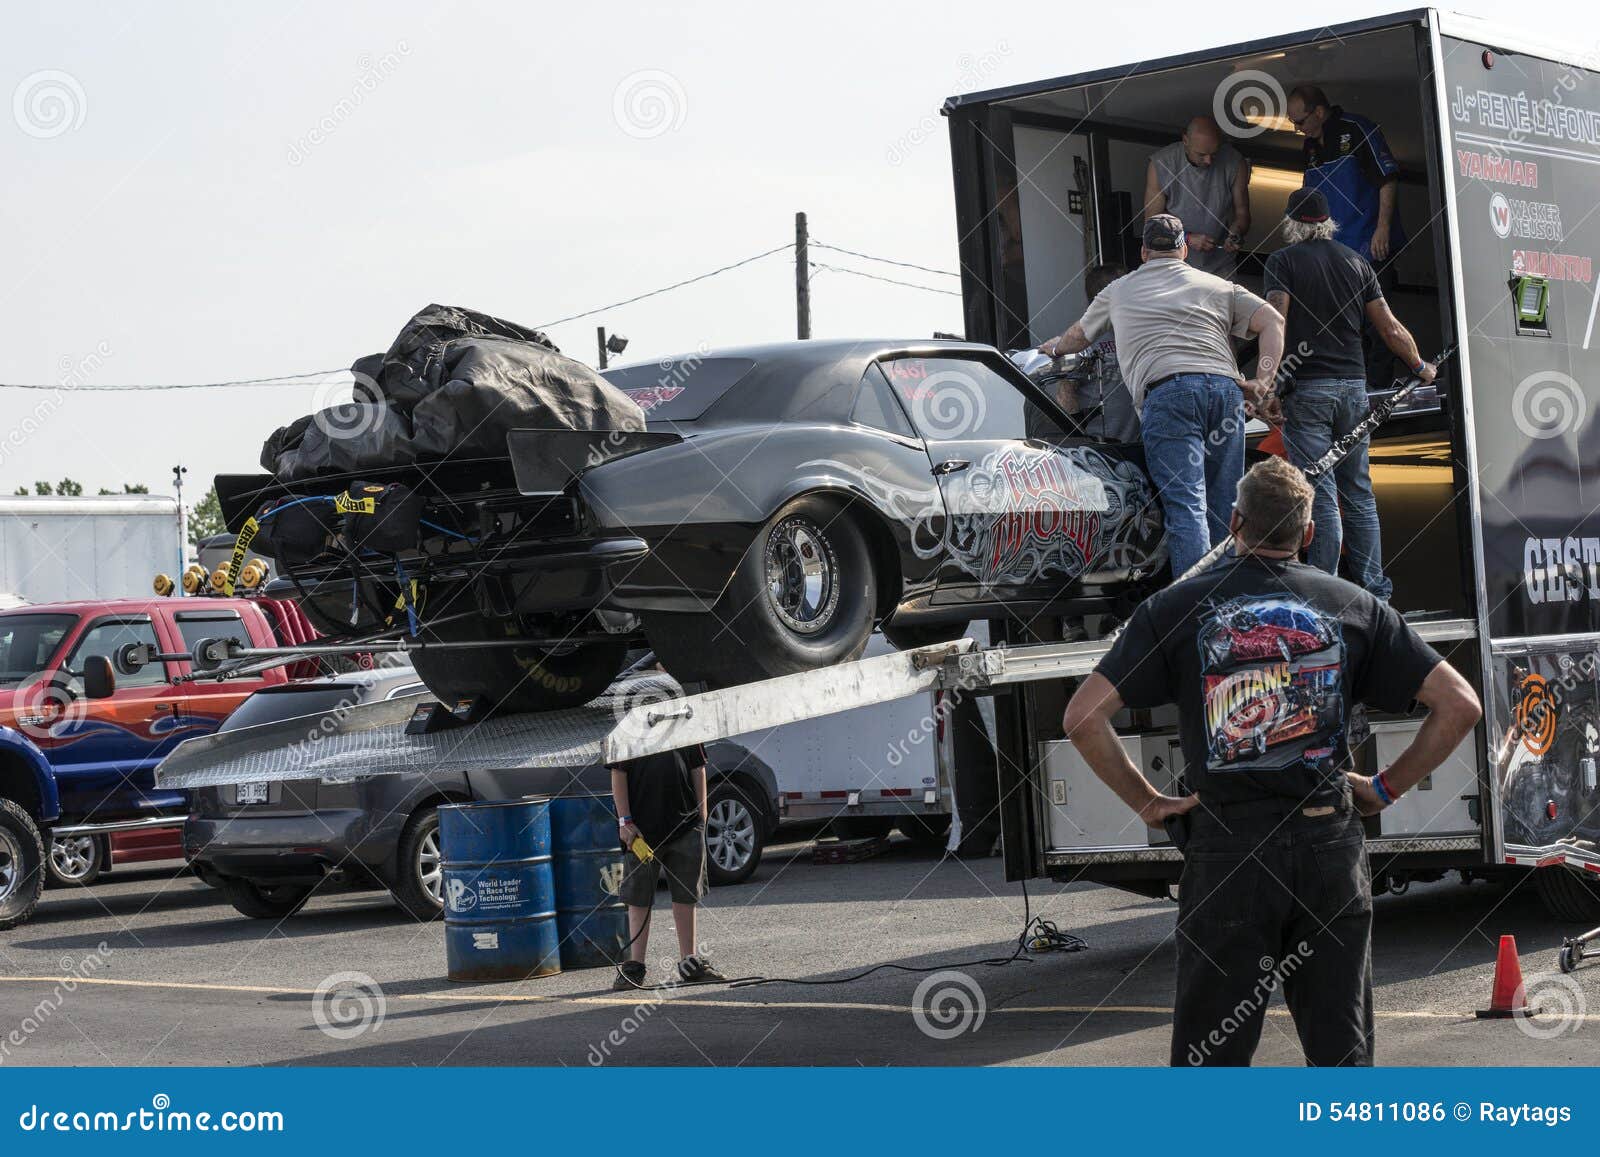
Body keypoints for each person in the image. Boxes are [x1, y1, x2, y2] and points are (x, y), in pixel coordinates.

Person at [1062, 456, 1482, 1066]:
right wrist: (1385, 788)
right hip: (1327, 844)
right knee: (1341, 1056)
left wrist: (1150, 804)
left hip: (1228, 849)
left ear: (1234, 522)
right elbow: (1460, 705)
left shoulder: (1173, 609)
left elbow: (1081, 718)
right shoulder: (1355, 605)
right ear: (1308, 534)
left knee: (1214, 1060)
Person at [1040, 214, 1286, 576]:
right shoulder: (1217, 285)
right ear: (1184, 249)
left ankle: (1195, 610)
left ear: (1143, 252)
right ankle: (1225, 603)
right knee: (1224, 503)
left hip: (1169, 394)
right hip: (1224, 392)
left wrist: (1056, 348)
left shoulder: (1119, 289)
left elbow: (1079, 336)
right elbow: (1273, 321)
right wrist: (1263, 382)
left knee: (1186, 504)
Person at [1263, 187, 1436, 600]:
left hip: (1306, 391)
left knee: (1319, 492)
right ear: (1328, 223)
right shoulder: (1357, 263)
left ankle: (1324, 590)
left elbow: (1276, 325)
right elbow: (1390, 328)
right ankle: (1374, 590)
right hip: (1353, 390)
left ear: (1291, 224)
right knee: (1358, 491)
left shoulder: (1282, 262)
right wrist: (1420, 367)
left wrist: (1267, 384)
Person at [1285, 85, 1406, 388]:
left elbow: (1388, 179)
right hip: (1333, 255)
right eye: (1292, 124)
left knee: (1378, 324)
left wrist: (1383, 228)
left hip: (1369, 246)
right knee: (1343, 326)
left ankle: (1378, 389)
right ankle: (1352, 386)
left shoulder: (1357, 129)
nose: (1297, 129)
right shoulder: (1310, 148)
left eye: (1300, 122)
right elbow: (1308, 200)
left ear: (1319, 112)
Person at [609, 741, 727, 989]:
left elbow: (698, 768)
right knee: (638, 897)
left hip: (685, 826)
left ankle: (689, 963)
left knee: (686, 895)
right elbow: (618, 772)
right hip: (640, 831)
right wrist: (625, 821)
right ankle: (634, 967)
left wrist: (701, 818)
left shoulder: (682, 722)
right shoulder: (629, 729)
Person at [1144, 115, 1252, 277]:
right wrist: (1186, 238)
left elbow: (1242, 213)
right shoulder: (1161, 164)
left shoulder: (1235, 162)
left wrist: (1236, 233)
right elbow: (1152, 222)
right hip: (1173, 265)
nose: (1208, 161)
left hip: (1220, 266)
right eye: (1201, 154)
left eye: (1214, 154)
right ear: (1185, 141)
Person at [1054, 263, 1139, 444]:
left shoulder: (1138, 332)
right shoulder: (1075, 341)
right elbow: (1065, 394)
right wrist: (1080, 443)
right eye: (1126, 290)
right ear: (1107, 297)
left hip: (1143, 444)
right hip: (1102, 448)